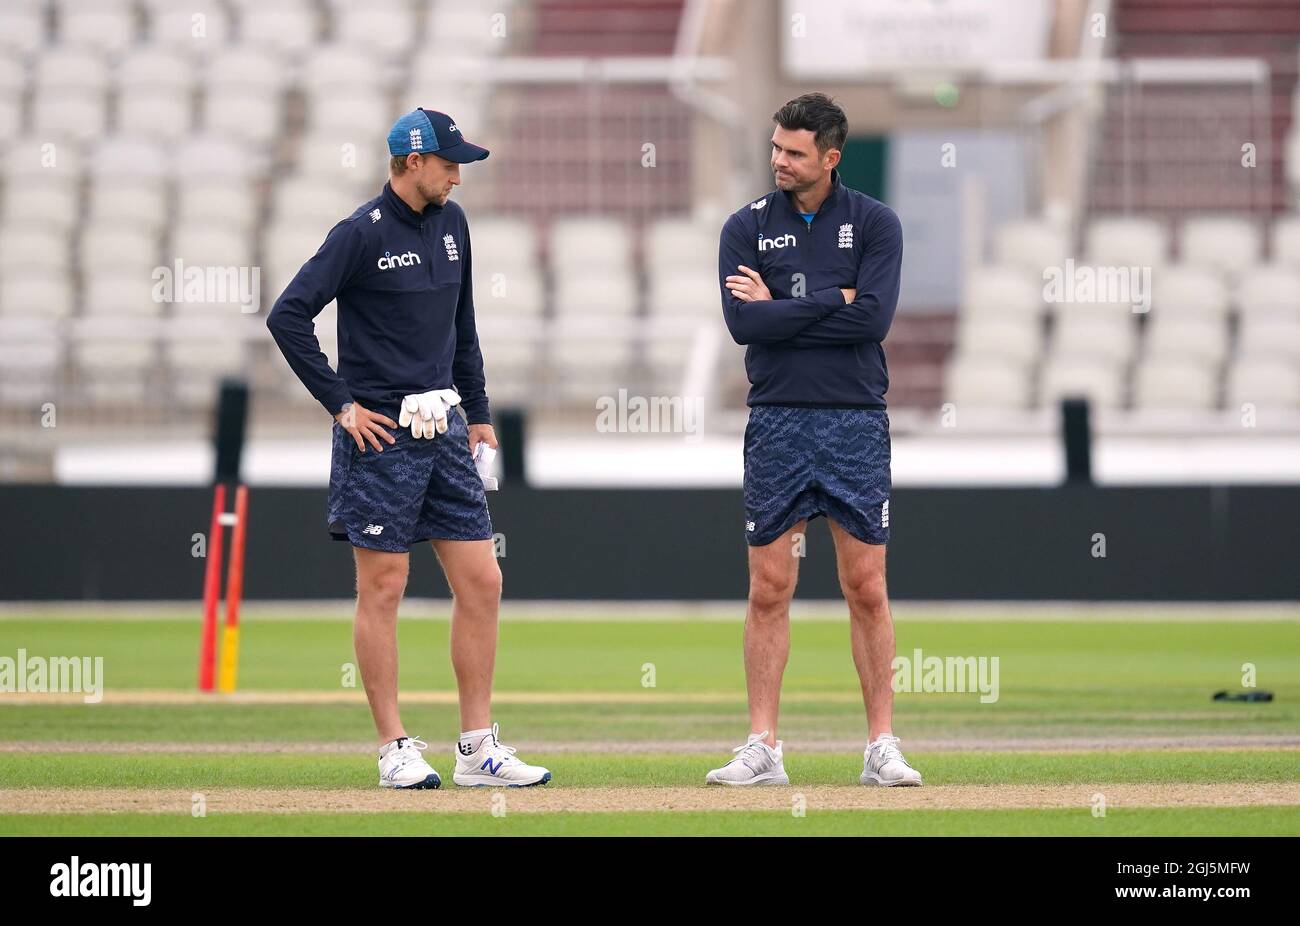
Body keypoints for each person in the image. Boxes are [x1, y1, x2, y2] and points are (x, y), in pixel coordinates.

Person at [266, 108, 550, 789]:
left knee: (483, 581)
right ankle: (394, 746)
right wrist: (340, 404)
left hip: (445, 426)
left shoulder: (454, 224)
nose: (458, 175)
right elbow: (288, 314)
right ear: (412, 161)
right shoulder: (358, 235)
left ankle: (477, 748)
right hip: (381, 433)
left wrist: (478, 413)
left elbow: (464, 325)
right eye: (450, 163)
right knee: (384, 587)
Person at [706, 93, 921, 787]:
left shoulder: (876, 224)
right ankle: (763, 745)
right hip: (776, 420)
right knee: (769, 586)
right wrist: (836, 300)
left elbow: (874, 322)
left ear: (830, 157)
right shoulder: (743, 228)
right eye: (776, 148)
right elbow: (745, 327)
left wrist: (785, 308)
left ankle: (881, 745)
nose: (780, 161)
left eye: (795, 152)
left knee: (866, 585)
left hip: (855, 418)